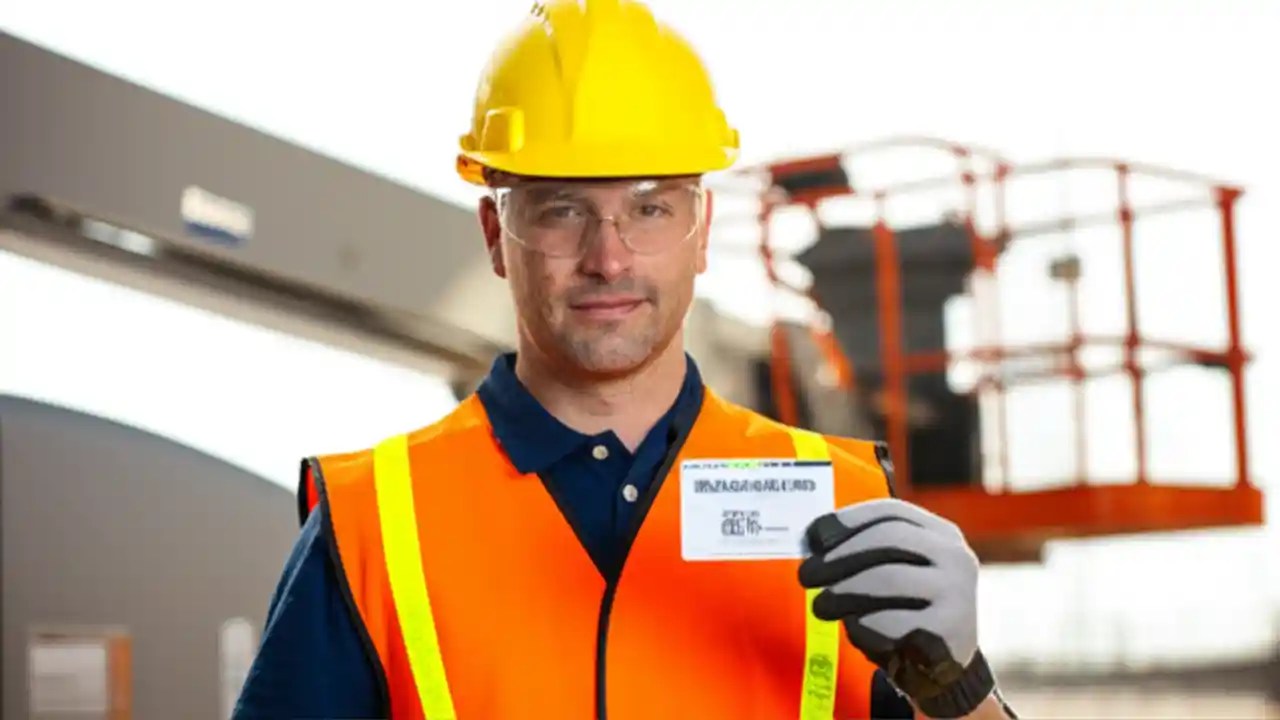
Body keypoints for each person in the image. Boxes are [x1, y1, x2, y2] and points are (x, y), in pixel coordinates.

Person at [233, 1, 1018, 718]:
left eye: (648, 208)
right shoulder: (373, 521)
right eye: (562, 209)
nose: (608, 258)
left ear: (701, 231)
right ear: (493, 236)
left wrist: (961, 692)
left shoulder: (841, 509)